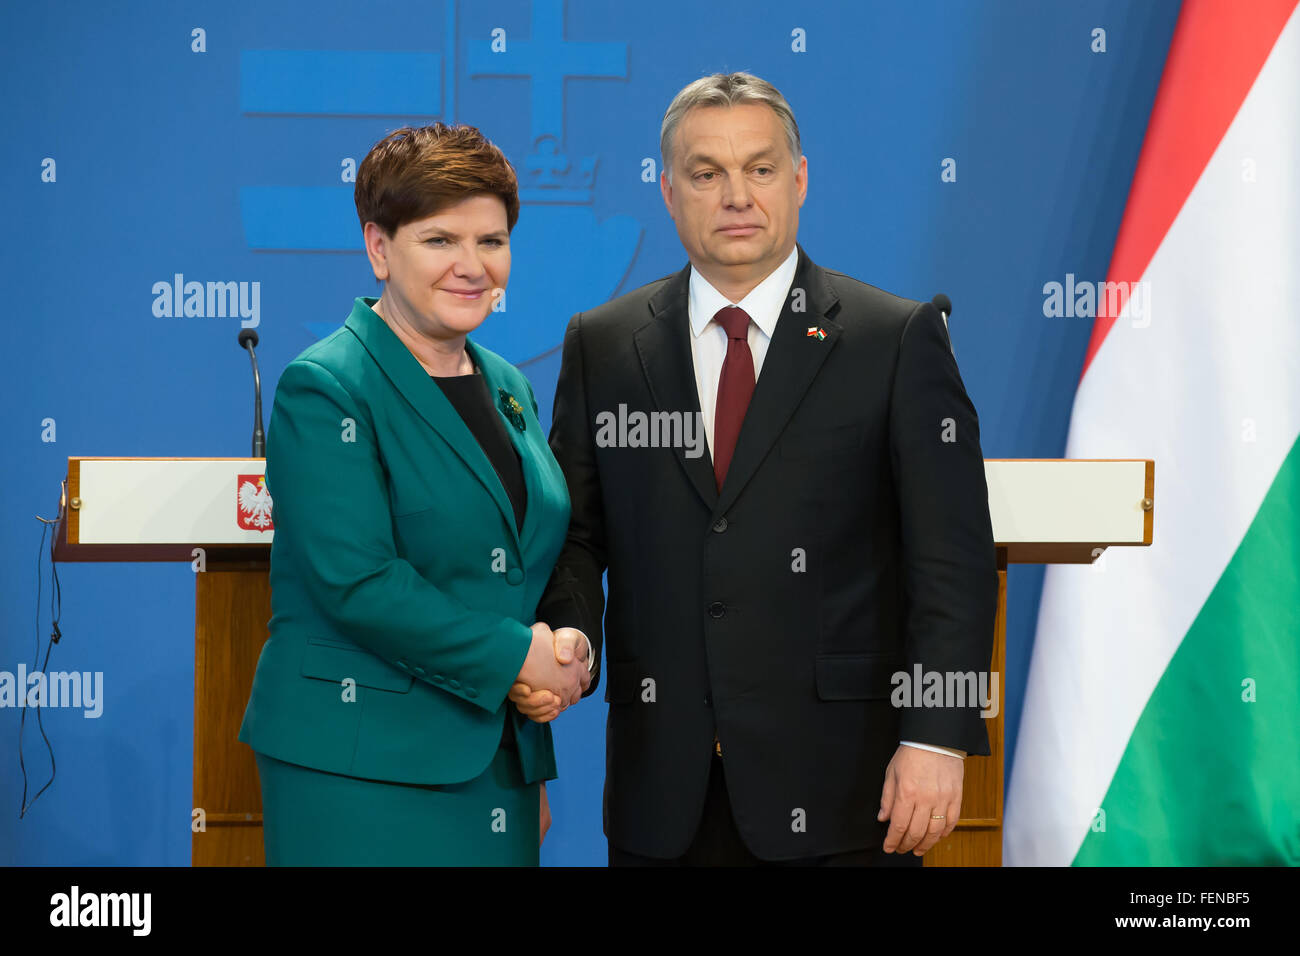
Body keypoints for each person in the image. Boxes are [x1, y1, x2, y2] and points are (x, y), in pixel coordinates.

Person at [512, 73, 999, 865]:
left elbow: (952, 562)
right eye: (707, 173)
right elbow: (577, 535)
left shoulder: (894, 339)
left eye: (761, 169)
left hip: (846, 792)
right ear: (669, 192)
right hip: (662, 800)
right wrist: (570, 631)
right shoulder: (603, 343)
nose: (736, 194)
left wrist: (937, 737)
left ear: (799, 180)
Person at [237, 123, 591, 866]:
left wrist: (566, 648)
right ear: (378, 248)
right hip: (361, 767)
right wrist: (516, 660)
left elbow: (529, 553)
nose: (472, 266)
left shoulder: (507, 384)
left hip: (497, 762)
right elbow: (358, 582)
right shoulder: (326, 386)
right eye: (440, 240)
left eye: (491, 242)